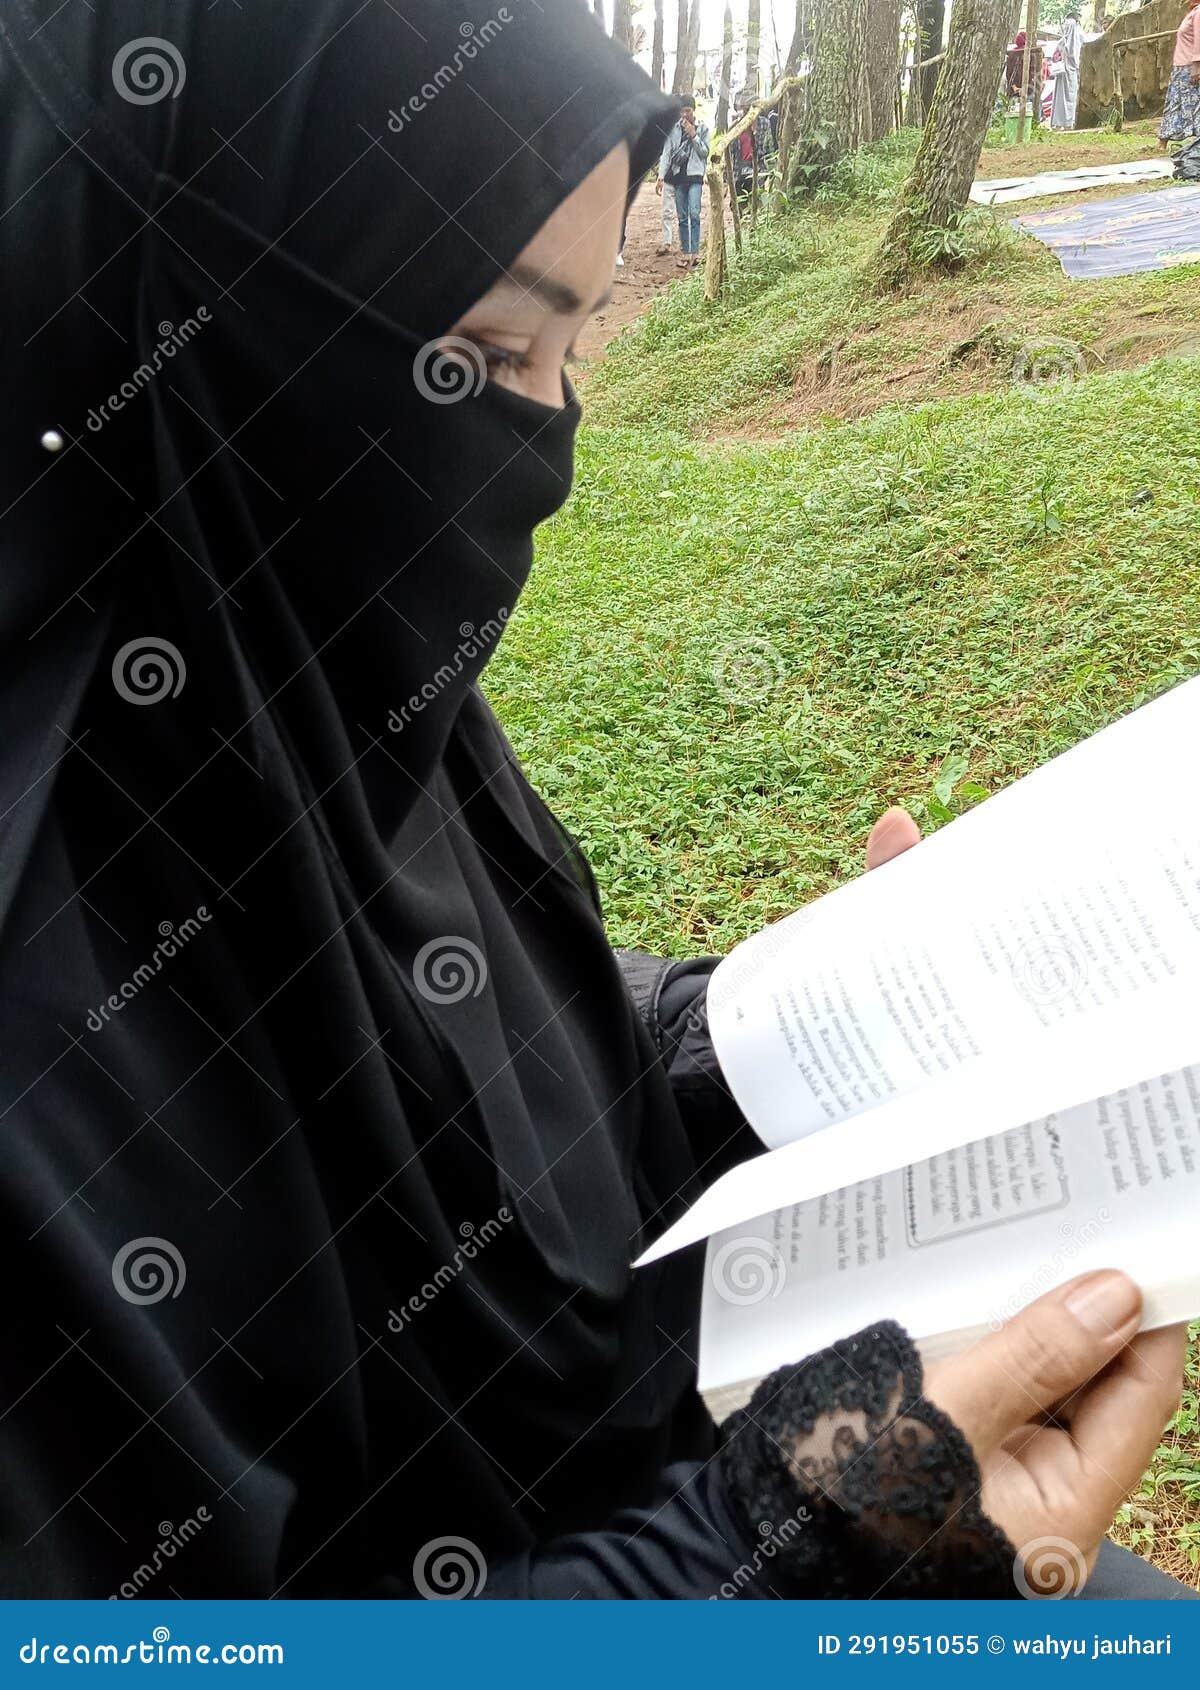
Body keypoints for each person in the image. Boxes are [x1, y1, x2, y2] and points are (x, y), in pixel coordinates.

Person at [0, 0, 1191, 1602]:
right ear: (202, 323)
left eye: (573, 348)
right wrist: (783, 1545)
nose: (544, 444)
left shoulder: (304, 663)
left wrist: (779, 1028)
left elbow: (486, 1043)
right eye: (482, 354)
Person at [656, 94, 709, 268]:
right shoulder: (674, 130)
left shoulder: (702, 128)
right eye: (682, 111)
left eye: (688, 110)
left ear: (693, 110)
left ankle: (695, 253)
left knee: (694, 213)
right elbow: (667, 154)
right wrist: (661, 176)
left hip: (695, 177)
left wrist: (693, 136)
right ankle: (686, 253)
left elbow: (705, 153)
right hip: (678, 177)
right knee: (682, 216)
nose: (685, 115)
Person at [1158, 0, 1200, 151]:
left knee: (1194, 105)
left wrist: (1196, 66)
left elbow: (1199, 40)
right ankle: (1163, 140)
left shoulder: (1199, 12)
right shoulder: (1192, 13)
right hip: (1181, 67)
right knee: (1174, 103)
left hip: (1190, 67)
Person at [1050, 9, 1083, 129]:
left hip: (1069, 72)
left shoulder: (1075, 39)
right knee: (1063, 98)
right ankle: (1061, 123)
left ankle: (1068, 122)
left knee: (1070, 97)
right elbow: (1073, 55)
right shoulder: (1064, 42)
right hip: (1064, 71)